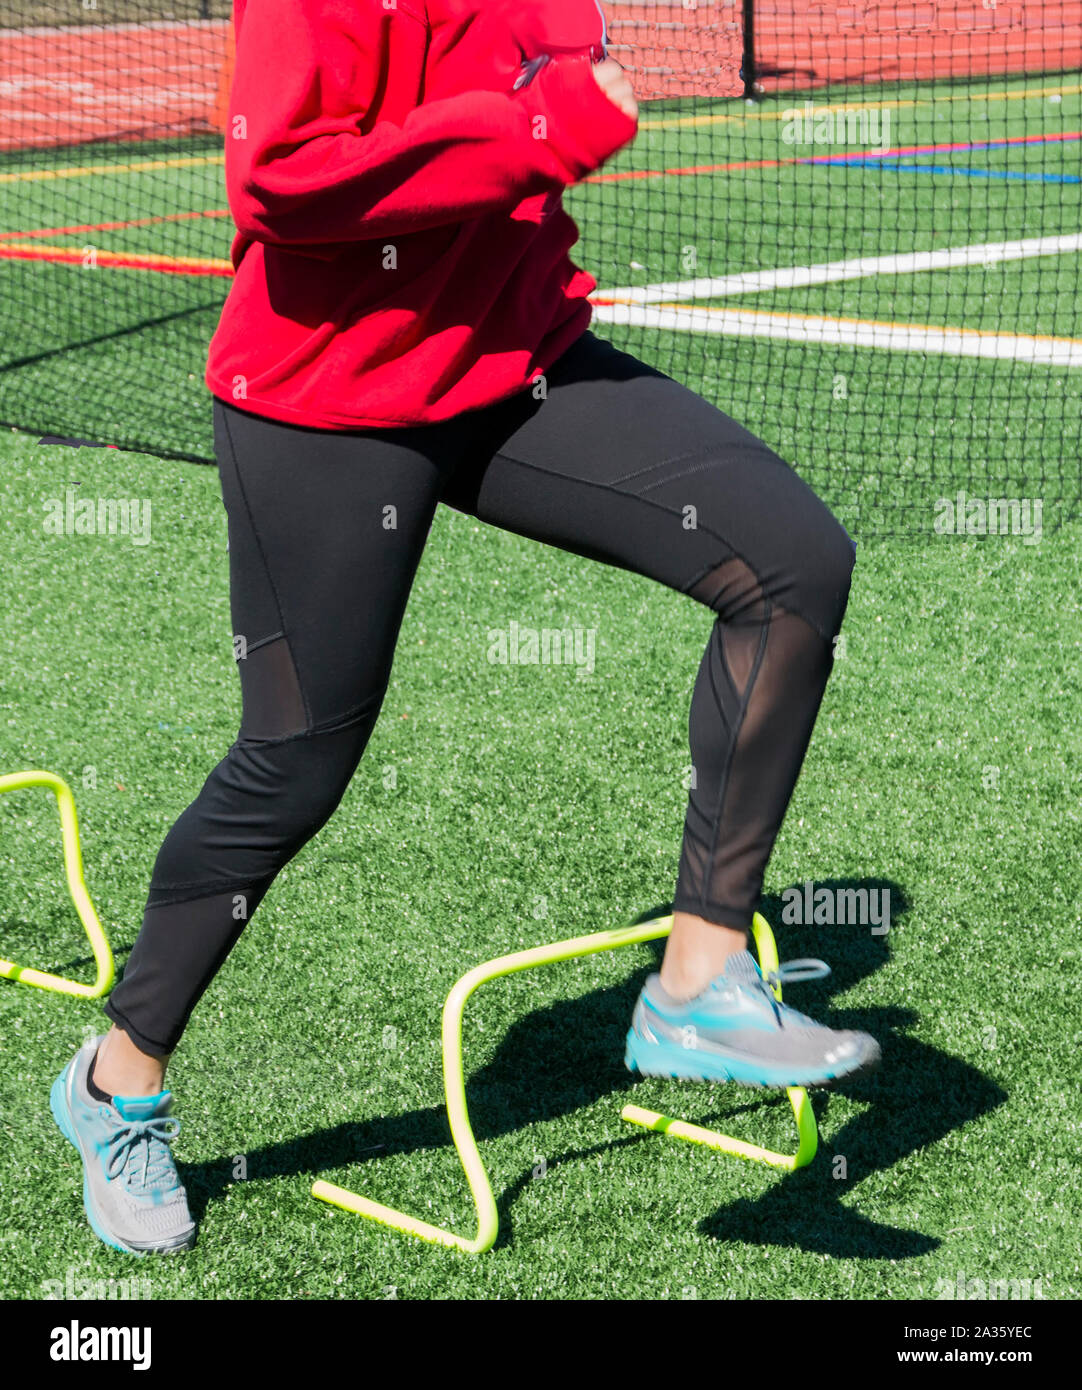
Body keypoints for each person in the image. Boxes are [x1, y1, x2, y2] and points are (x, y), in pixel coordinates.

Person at [49, 0, 879, 1256]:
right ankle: (119, 1081)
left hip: (512, 369)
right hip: (326, 402)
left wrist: (555, 116)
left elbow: (563, 72)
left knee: (792, 566)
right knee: (294, 761)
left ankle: (698, 981)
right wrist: (534, 126)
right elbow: (277, 176)